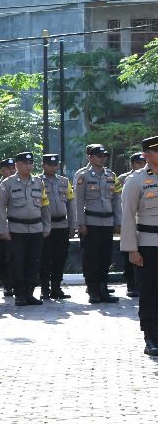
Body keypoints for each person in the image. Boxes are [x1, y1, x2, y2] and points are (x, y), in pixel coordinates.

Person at [0, 152, 51, 307]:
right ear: (17, 165)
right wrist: (3, 230)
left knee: (33, 262)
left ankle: (30, 293)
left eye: (30, 163)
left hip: (35, 229)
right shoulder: (8, 184)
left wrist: (47, 226)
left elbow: (44, 205)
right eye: (25, 163)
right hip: (16, 229)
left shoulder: (38, 182)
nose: (28, 166)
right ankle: (19, 294)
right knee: (17, 262)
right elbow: (1, 209)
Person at [120, 136, 158, 356]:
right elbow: (127, 218)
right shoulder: (136, 180)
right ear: (146, 155)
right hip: (148, 245)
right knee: (149, 293)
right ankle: (151, 337)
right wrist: (132, 250)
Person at [75, 144, 122, 304]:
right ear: (90, 156)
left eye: (104, 156)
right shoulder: (83, 176)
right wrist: (81, 223)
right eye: (99, 155)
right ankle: (93, 289)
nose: (103, 158)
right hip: (91, 222)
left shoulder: (111, 175)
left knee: (105, 256)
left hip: (107, 222)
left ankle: (103, 288)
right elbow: (78, 201)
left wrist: (118, 221)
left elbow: (116, 200)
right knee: (91, 257)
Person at [39, 154, 76, 301]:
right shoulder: (37, 182)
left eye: (56, 165)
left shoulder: (64, 181)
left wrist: (73, 225)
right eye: (50, 165)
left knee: (60, 257)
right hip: (45, 227)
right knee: (44, 258)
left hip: (62, 225)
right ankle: (44, 288)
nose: (53, 167)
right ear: (43, 166)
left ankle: (56, 287)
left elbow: (71, 204)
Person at [119, 151, 146, 297]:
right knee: (129, 254)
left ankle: (140, 285)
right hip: (129, 220)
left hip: (143, 222)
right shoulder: (125, 179)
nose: (140, 165)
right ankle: (131, 285)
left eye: (143, 162)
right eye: (137, 163)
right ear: (132, 164)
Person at [0, 157, 17, 295]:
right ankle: (6, 284)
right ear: (0, 171)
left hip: (16, 226)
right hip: (1, 227)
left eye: (12, 168)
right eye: (7, 168)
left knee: (16, 257)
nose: (11, 171)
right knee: (3, 257)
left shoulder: (18, 183)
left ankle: (16, 283)